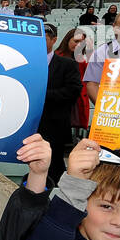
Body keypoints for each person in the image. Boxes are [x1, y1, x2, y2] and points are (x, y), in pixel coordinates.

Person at [40, 23, 81, 182]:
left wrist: (43, 95)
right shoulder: (24, 63)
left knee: (54, 166)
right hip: (29, 125)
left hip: (54, 126)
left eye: (43, 38)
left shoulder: (67, 64)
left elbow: (73, 91)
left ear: (54, 40)